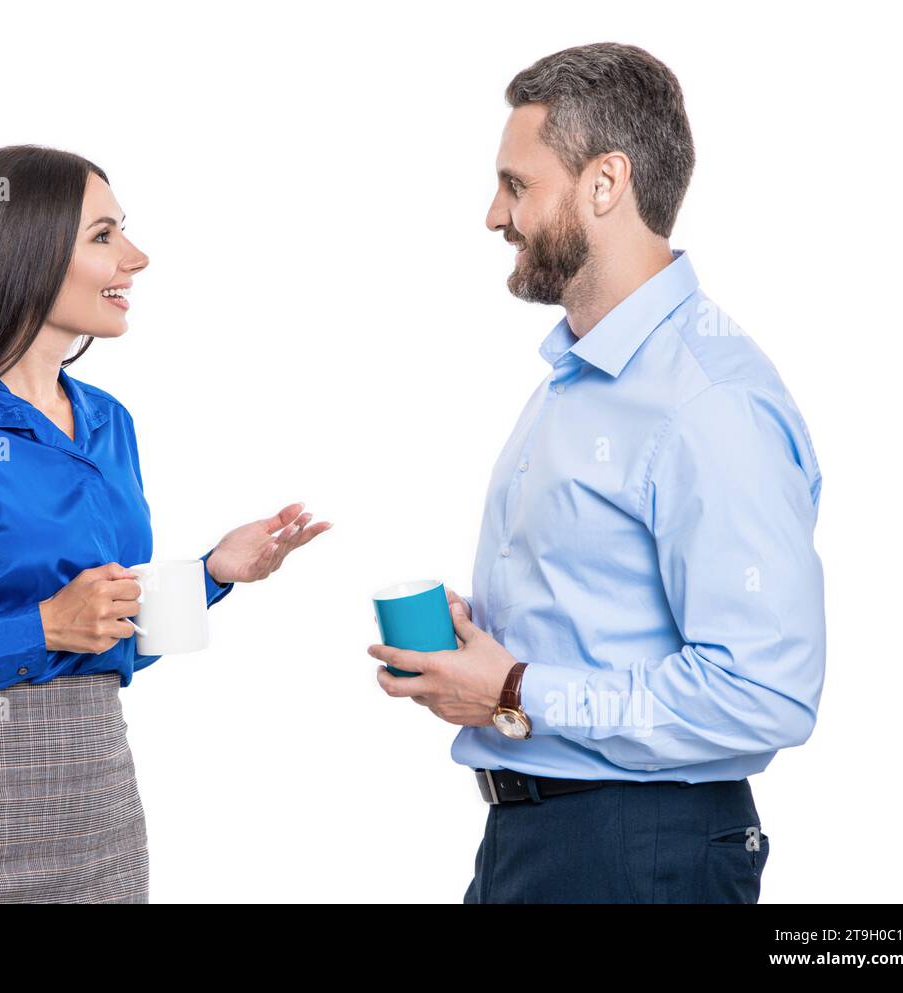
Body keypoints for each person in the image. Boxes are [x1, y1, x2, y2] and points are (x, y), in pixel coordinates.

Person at [0, 145, 330, 903]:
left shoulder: (108, 425)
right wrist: (41, 626)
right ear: (27, 250)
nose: (137, 257)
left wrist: (213, 575)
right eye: (105, 235)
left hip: (103, 813)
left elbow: (109, 638)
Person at [368, 43, 825, 903]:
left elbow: (764, 692)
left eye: (517, 184)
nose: (494, 214)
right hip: (539, 840)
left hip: (637, 852)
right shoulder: (583, 377)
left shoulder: (707, 400)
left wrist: (512, 687)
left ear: (604, 183)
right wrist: (489, 657)